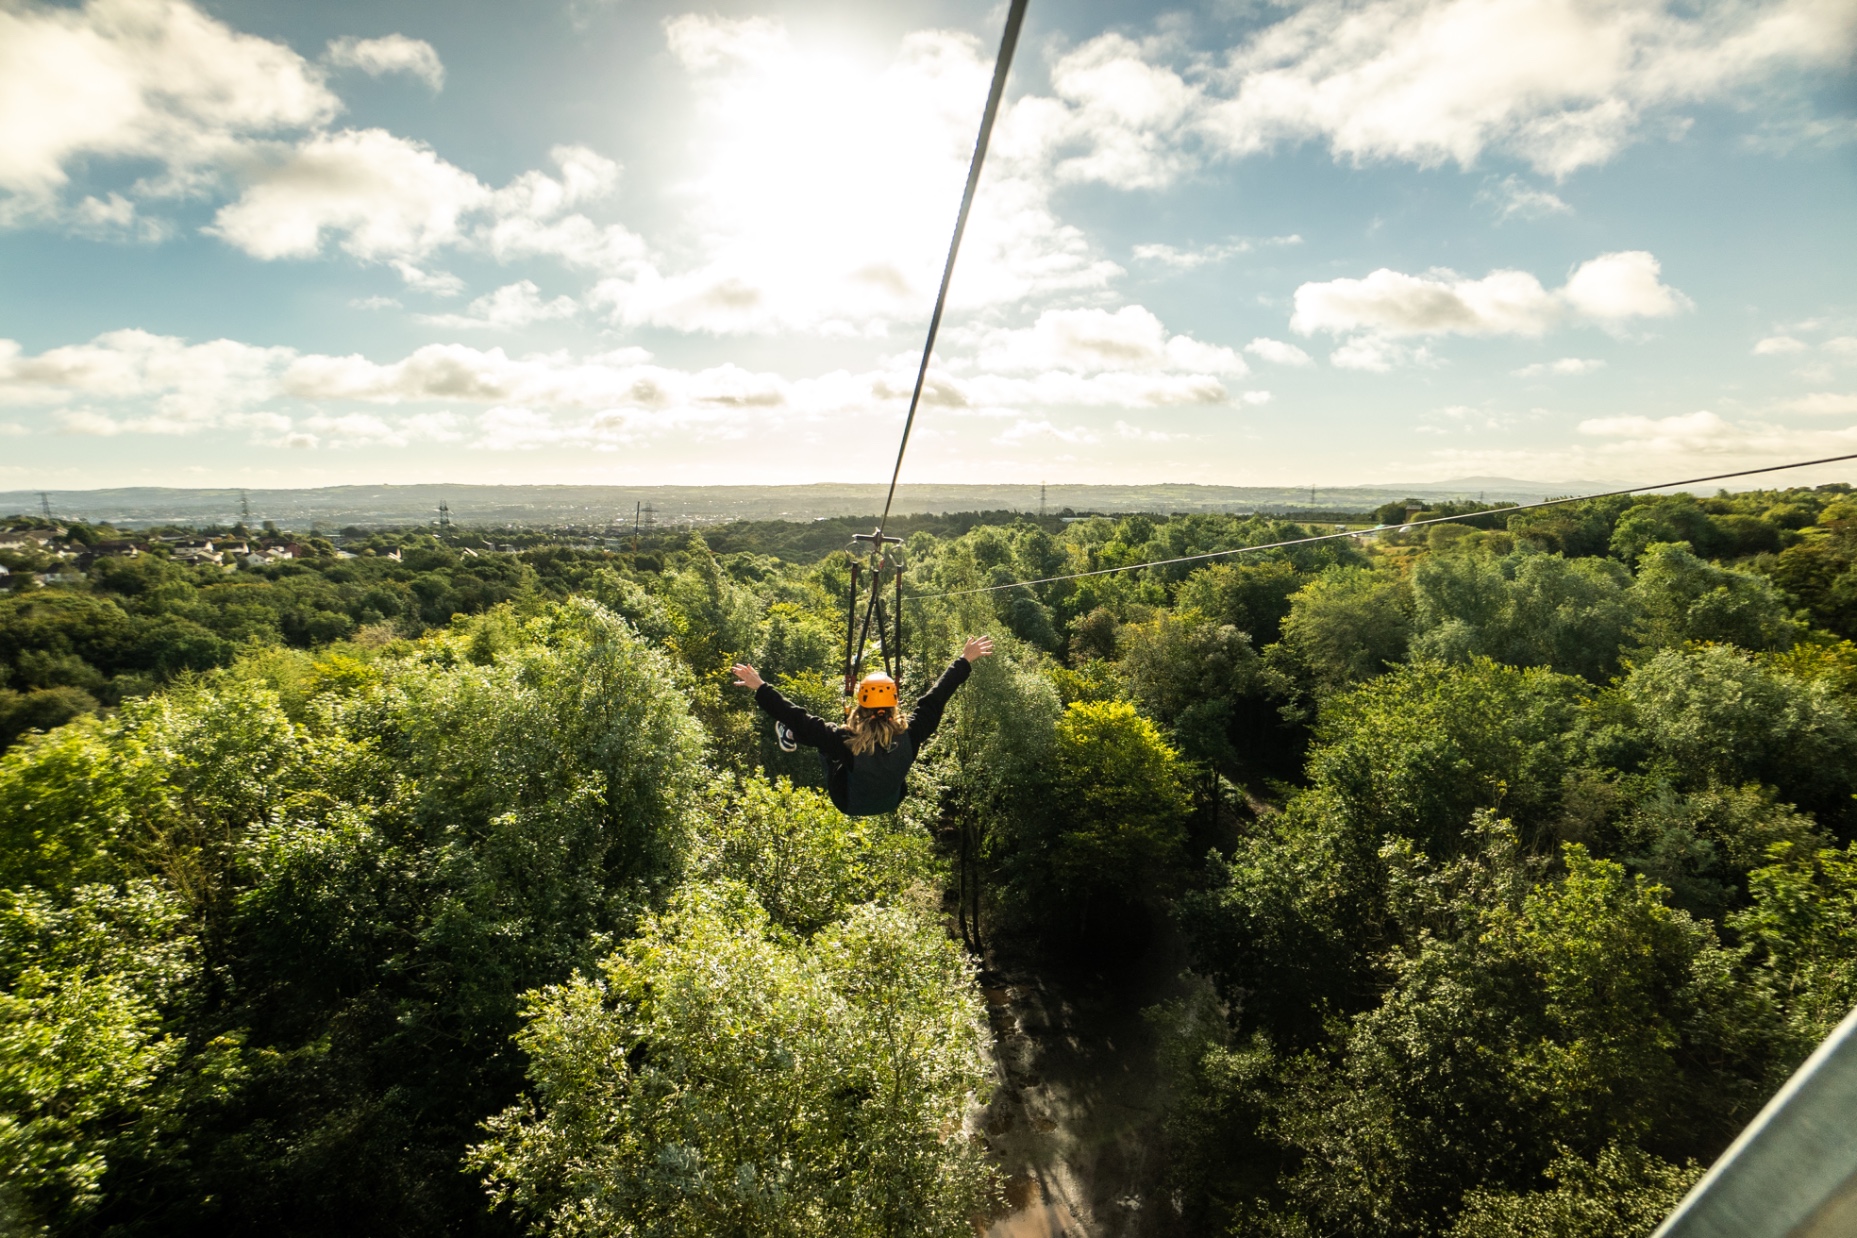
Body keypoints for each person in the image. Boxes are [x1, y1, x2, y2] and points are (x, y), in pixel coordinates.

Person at [732, 636, 994, 816]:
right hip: (890, 800)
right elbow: (936, 698)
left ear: (861, 704)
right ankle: (792, 732)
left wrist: (761, 687)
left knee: (821, 736)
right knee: (824, 735)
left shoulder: (846, 740)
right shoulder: (912, 733)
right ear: (894, 704)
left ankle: (790, 734)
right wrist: (964, 659)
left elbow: (799, 716)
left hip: (847, 801)